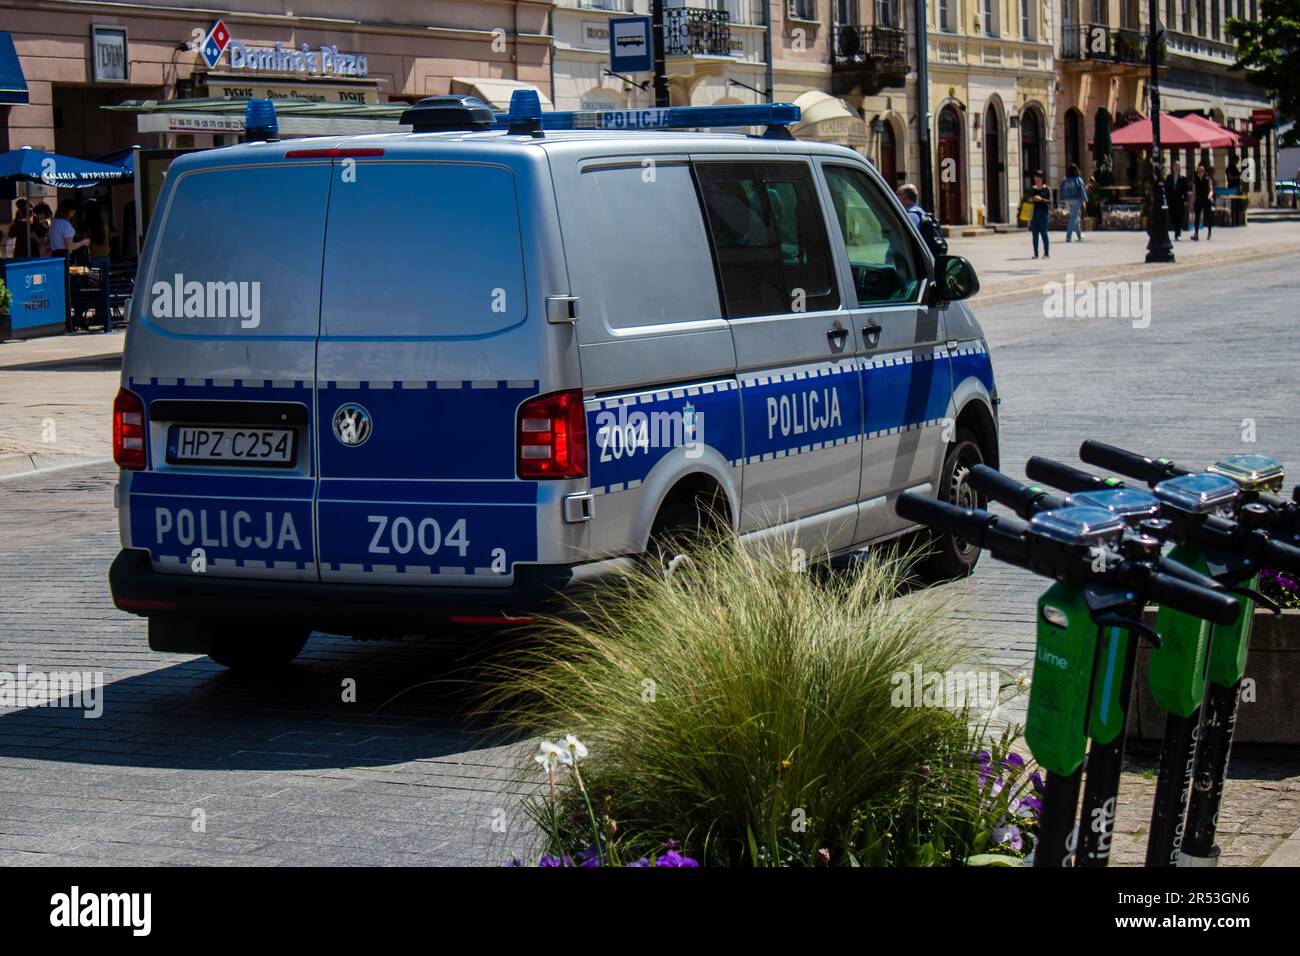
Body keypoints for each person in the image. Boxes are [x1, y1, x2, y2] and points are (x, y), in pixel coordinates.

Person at [896, 183, 948, 257]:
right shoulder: (921, 212)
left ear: (904, 196)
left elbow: (903, 241)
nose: (895, 197)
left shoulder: (910, 216)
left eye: (897, 194)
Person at [1027, 170, 1051, 259]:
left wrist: (1041, 199)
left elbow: (1049, 202)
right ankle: (1036, 253)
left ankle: (1046, 253)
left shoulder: (1046, 189)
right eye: (1035, 179)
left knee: (1044, 233)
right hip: (1035, 212)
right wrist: (1032, 199)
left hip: (1043, 212)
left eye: (1038, 179)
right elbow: (1028, 199)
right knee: (1035, 233)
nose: (1037, 181)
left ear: (1042, 179)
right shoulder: (1032, 189)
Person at [1060, 163, 1087, 243]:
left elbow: (1061, 189)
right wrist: (1085, 198)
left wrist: (1062, 199)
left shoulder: (1065, 179)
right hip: (1076, 199)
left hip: (1068, 199)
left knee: (1075, 217)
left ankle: (1079, 235)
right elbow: (1082, 189)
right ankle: (1068, 236)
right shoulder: (1078, 179)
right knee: (1073, 218)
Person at [1164, 161, 1190, 241]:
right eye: (1174, 166)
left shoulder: (1183, 178)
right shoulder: (1169, 177)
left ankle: (1177, 233)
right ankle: (1176, 230)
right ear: (1172, 167)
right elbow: (1166, 188)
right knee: (1172, 216)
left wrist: (1185, 199)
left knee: (1179, 216)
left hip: (1179, 200)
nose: (1176, 167)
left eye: (1177, 166)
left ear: (1179, 168)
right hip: (1171, 200)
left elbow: (1185, 190)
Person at [1192, 164, 1214, 241]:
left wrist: (1210, 196)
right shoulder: (1195, 181)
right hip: (1198, 200)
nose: (1199, 173)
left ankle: (1209, 233)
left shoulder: (1208, 180)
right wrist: (1192, 203)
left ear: (1204, 172)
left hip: (1206, 200)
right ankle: (1196, 233)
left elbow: (1211, 189)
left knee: (1208, 217)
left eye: (1201, 171)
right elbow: (1194, 192)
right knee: (1197, 217)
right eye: (1198, 172)